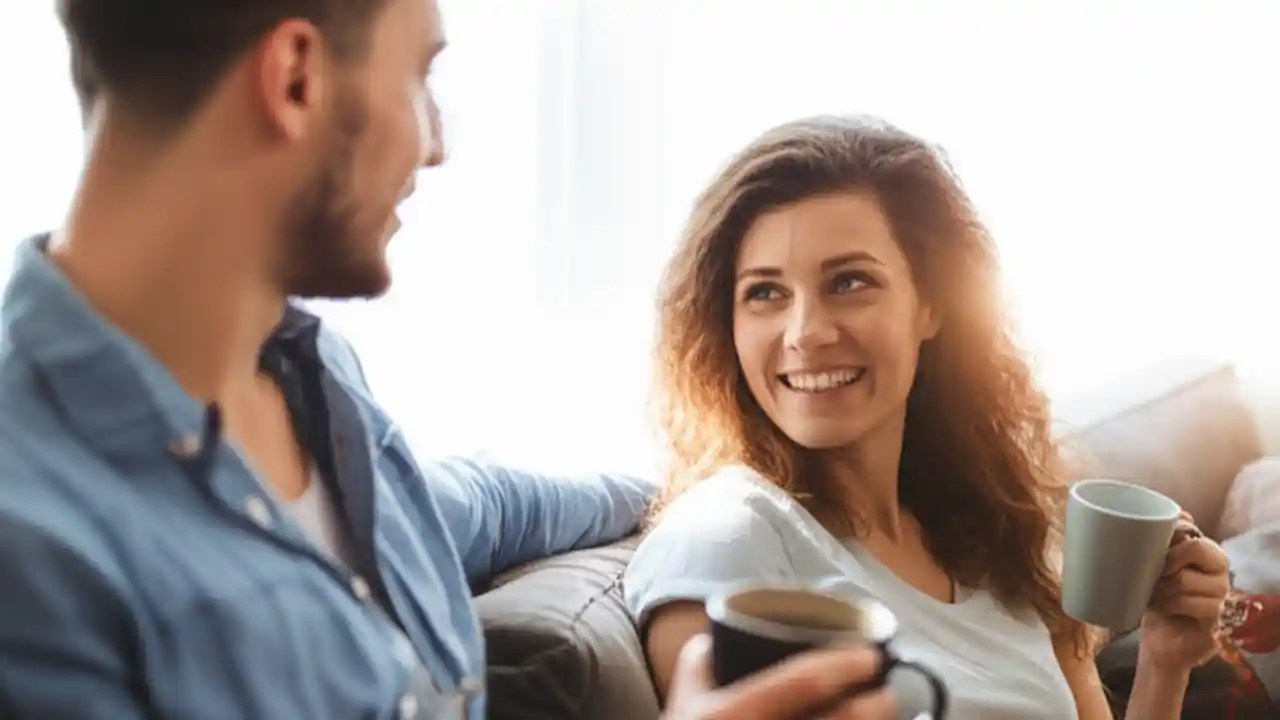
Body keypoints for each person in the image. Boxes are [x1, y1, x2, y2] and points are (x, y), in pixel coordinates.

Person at [0, 2, 899, 718]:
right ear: (297, 77)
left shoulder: (319, 388)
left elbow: (483, 503)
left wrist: (670, 490)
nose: (437, 143)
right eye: (421, 76)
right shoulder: (35, 554)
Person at [626, 115, 1234, 719]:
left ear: (932, 307)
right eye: (765, 292)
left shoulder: (994, 534)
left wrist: (1165, 663)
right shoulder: (727, 538)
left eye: (849, 282)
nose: (805, 332)